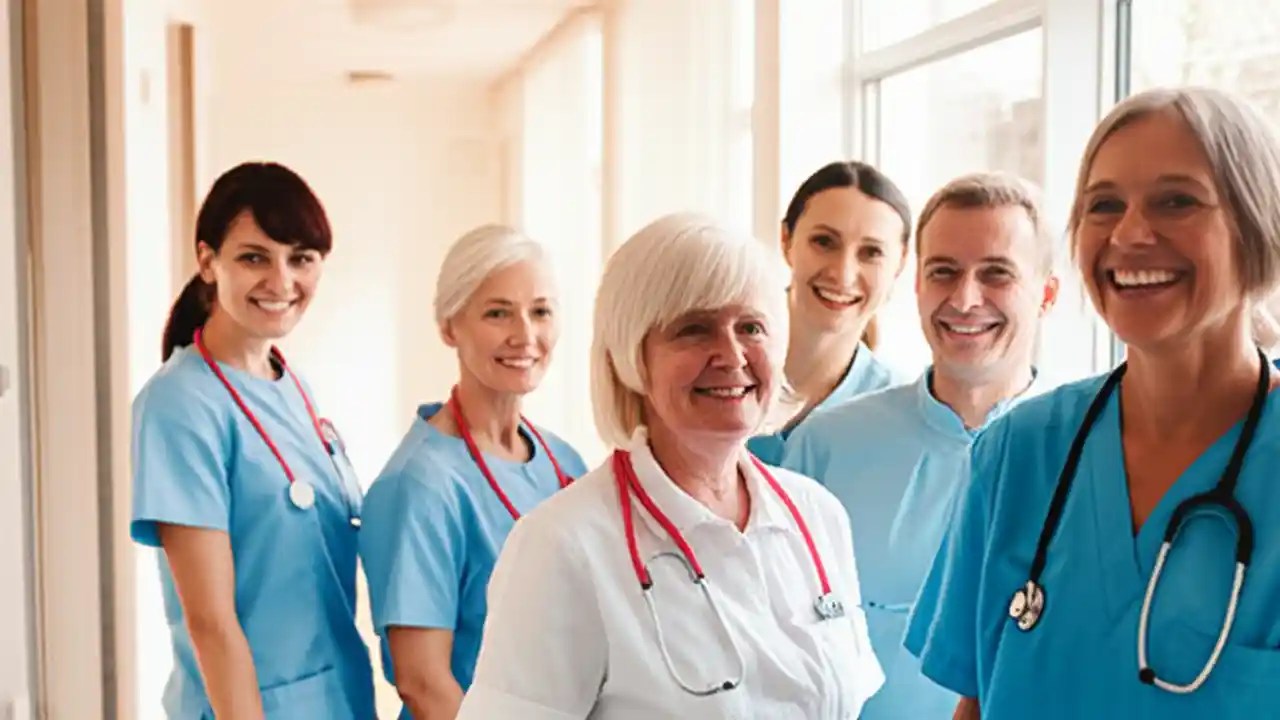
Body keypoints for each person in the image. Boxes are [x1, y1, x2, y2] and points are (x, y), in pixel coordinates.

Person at [906, 86, 1280, 719]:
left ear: (1257, 224)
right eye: (1104, 205)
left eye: (1176, 200)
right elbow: (975, 699)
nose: (1130, 234)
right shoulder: (1019, 451)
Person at [455, 212, 883, 720]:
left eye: (750, 327)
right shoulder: (562, 545)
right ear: (634, 358)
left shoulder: (817, 516)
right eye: (693, 329)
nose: (731, 355)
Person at [782, 171, 1059, 718]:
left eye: (996, 274)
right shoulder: (826, 447)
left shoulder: (1088, 450)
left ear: (1046, 295)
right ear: (916, 285)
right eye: (944, 272)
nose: (964, 298)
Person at [130, 161, 375, 718]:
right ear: (208, 261)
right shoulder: (180, 405)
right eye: (254, 257)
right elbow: (211, 624)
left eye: (301, 258)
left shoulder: (294, 387)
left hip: (339, 700)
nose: (282, 281)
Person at [358, 224, 587, 719]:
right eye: (497, 313)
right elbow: (423, 683)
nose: (524, 335)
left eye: (540, 311)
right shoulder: (420, 485)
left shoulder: (564, 463)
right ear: (449, 326)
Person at [747, 161, 913, 464]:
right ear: (787, 241)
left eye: (872, 252)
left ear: (900, 264)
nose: (843, 274)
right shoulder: (720, 366)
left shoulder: (903, 417)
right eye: (824, 242)